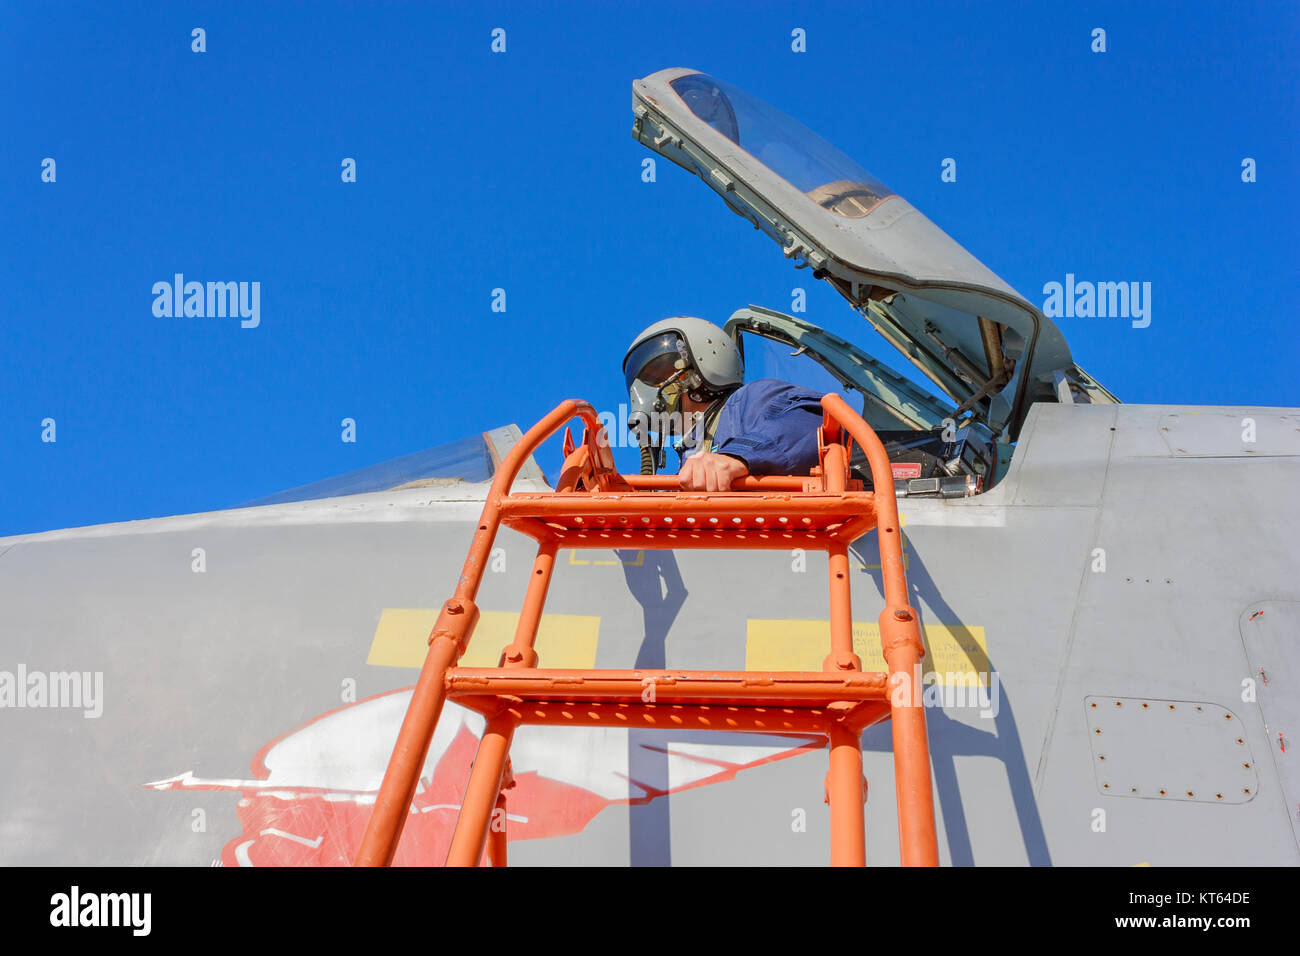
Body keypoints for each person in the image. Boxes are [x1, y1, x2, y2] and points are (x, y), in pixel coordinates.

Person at [622, 316, 827, 491]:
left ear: (697, 367)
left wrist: (737, 457)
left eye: (660, 375)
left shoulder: (748, 401)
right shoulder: (688, 458)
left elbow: (814, 422)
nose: (644, 392)